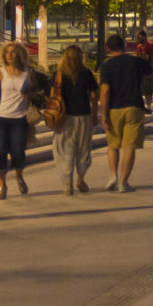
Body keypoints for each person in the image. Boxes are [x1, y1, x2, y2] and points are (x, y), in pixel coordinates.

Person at [0, 41, 44, 200]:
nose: (10, 55)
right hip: (1, 116)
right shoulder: (0, 72)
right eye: (7, 53)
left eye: (13, 52)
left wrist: (29, 93)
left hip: (20, 118)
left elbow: (35, 90)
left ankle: (19, 176)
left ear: (20, 54)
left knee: (18, 151)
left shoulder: (28, 72)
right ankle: (2, 184)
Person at [97, 33, 150, 192]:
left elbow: (105, 91)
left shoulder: (106, 66)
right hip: (134, 106)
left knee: (113, 145)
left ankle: (113, 175)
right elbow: (150, 71)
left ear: (108, 48)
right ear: (125, 45)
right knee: (130, 146)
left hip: (114, 108)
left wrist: (104, 114)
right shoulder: (136, 62)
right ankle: (124, 182)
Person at [49, 45, 99, 194]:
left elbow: (52, 95)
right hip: (83, 116)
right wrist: (95, 114)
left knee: (64, 149)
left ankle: (67, 183)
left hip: (64, 118)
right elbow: (94, 96)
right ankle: (81, 179)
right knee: (83, 150)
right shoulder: (86, 73)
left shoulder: (58, 75)